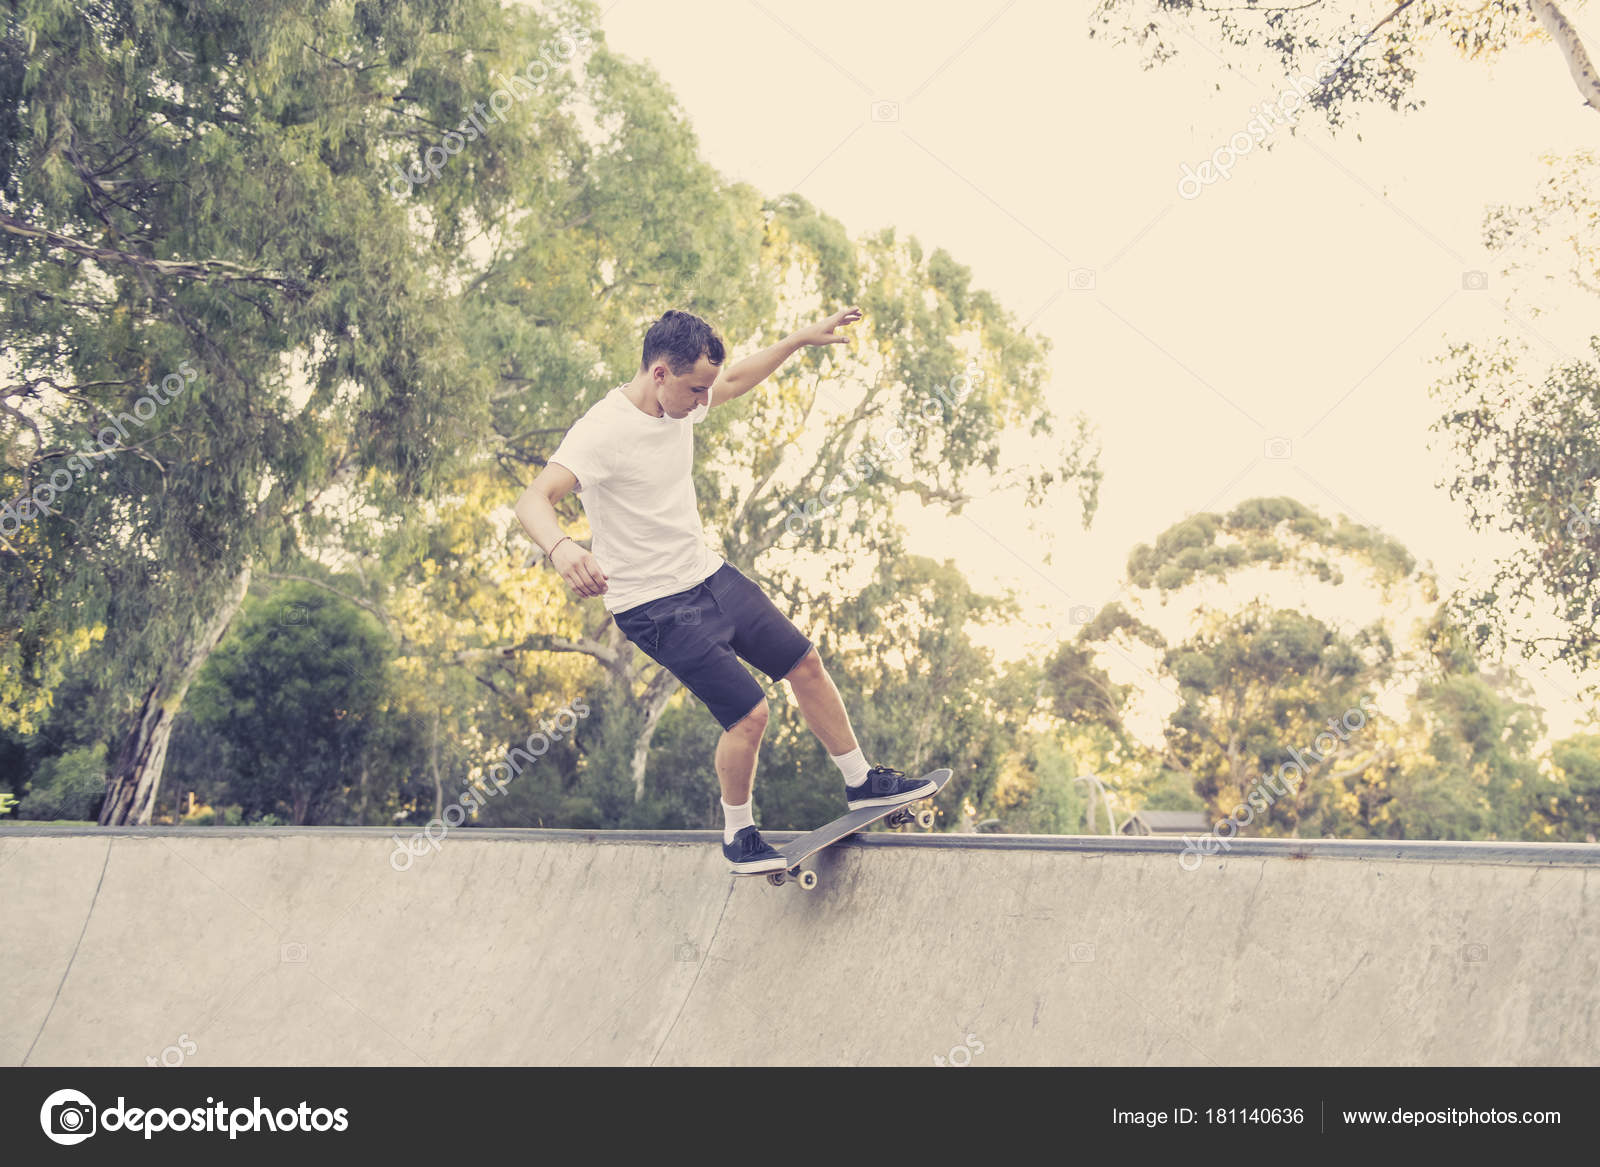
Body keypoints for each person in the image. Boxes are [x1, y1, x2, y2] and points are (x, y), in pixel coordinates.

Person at [514, 308, 936, 873]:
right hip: (652, 605)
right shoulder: (601, 431)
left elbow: (733, 379)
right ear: (660, 373)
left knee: (804, 663)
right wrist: (562, 548)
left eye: (704, 390)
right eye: (694, 390)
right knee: (749, 715)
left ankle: (861, 782)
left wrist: (798, 340)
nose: (702, 402)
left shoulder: (688, 394)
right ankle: (739, 835)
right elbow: (532, 499)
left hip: (707, 574)